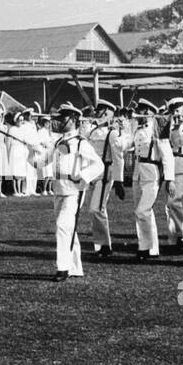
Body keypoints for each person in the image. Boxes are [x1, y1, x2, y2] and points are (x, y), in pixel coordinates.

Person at [29, 103, 104, 280]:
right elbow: (39, 164)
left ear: (74, 120)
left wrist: (83, 177)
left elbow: (98, 165)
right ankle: (75, 267)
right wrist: (31, 150)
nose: (60, 121)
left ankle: (63, 268)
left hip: (74, 191)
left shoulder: (80, 143)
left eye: (64, 118)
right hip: (59, 189)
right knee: (68, 228)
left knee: (63, 226)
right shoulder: (57, 142)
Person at [128, 100, 175, 260]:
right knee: (140, 212)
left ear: (148, 111)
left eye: (140, 110)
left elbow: (167, 155)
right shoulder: (137, 128)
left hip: (151, 172)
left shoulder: (157, 126)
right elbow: (127, 145)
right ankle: (148, 247)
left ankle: (148, 247)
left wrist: (169, 179)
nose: (137, 113)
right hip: (138, 171)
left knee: (143, 210)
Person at [84, 100, 127, 259]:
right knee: (95, 209)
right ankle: (102, 245)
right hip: (92, 174)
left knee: (96, 208)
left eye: (100, 110)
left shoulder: (113, 132)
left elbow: (118, 158)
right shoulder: (93, 131)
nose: (97, 112)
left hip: (105, 173)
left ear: (108, 112)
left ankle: (104, 245)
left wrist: (119, 181)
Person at [164, 97, 183, 252]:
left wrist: (178, 125)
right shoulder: (167, 126)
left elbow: (181, 142)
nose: (177, 112)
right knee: (169, 204)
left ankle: (182, 234)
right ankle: (174, 237)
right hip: (170, 166)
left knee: (174, 201)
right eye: (174, 109)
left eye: (179, 109)